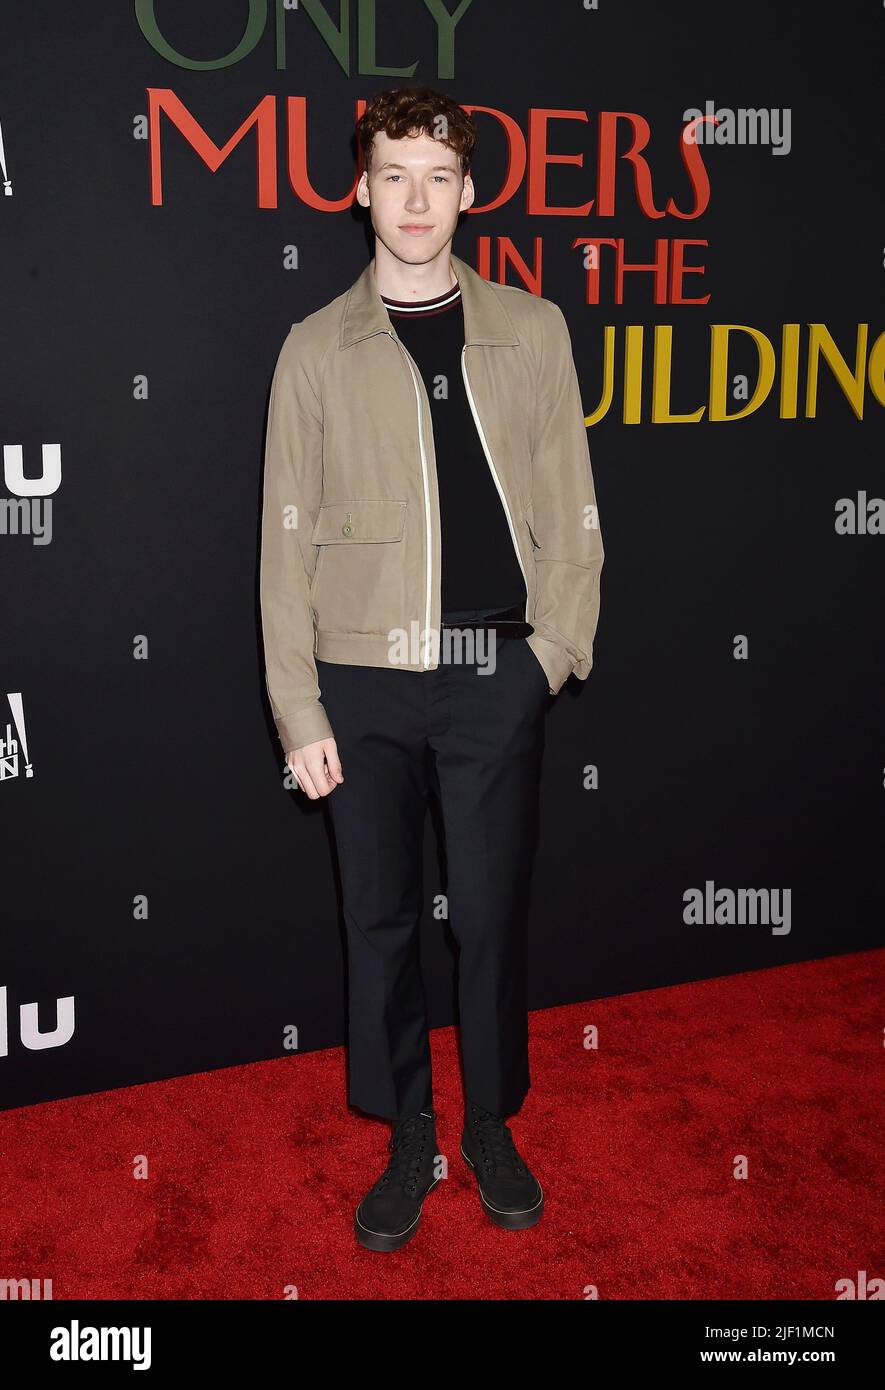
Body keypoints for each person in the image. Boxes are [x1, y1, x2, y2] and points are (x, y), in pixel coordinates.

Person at [259, 85, 604, 1252]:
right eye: (394, 174)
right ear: (361, 190)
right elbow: (282, 542)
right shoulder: (314, 348)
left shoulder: (535, 329)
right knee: (380, 919)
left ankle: (494, 1124)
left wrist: (550, 655)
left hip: (494, 673)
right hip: (360, 682)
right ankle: (412, 1130)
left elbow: (573, 511)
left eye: (438, 175)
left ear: (469, 190)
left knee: (494, 916)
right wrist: (298, 703)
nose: (416, 198)